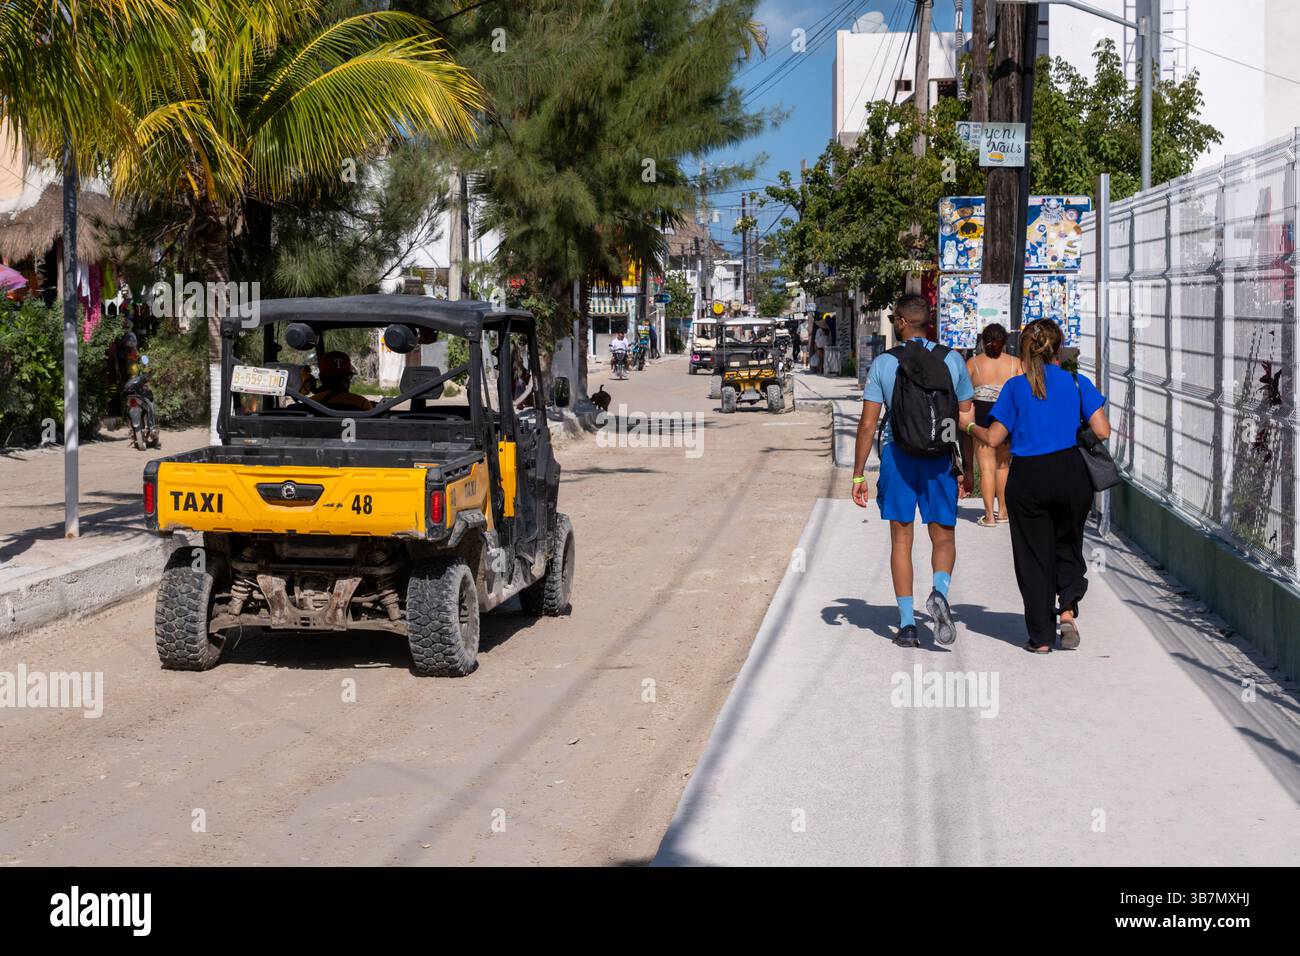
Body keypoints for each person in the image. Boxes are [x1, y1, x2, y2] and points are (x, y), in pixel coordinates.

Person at [963, 319, 1111, 654]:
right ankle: (1069, 612)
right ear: (1058, 348)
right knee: (1068, 544)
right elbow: (1102, 431)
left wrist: (969, 424)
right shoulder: (1076, 382)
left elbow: (994, 437)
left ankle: (1042, 637)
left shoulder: (1015, 387)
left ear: (1023, 350)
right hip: (1071, 473)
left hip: (1028, 477)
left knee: (1033, 556)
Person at [852, 293, 975, 648]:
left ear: (902, 323)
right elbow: (963, 417)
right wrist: (963, 466)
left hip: (898, 456)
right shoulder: (953, 360)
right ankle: (939, 591)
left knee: (902, 540)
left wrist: (859, 474)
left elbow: (867, 423)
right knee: (944, 536)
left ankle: (907, 625)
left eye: (894, 320)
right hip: (940, 457)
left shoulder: (884, 364)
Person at [966, 323, 1019, 527]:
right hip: (1006, 415)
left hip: (982, 415)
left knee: (986, 468)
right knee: (1003, 466)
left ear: (983, 341)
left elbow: (963, 392)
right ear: (1004, 341)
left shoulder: (973, 363)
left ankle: (989, 515)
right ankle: (1003, 511)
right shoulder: (1016, 363)